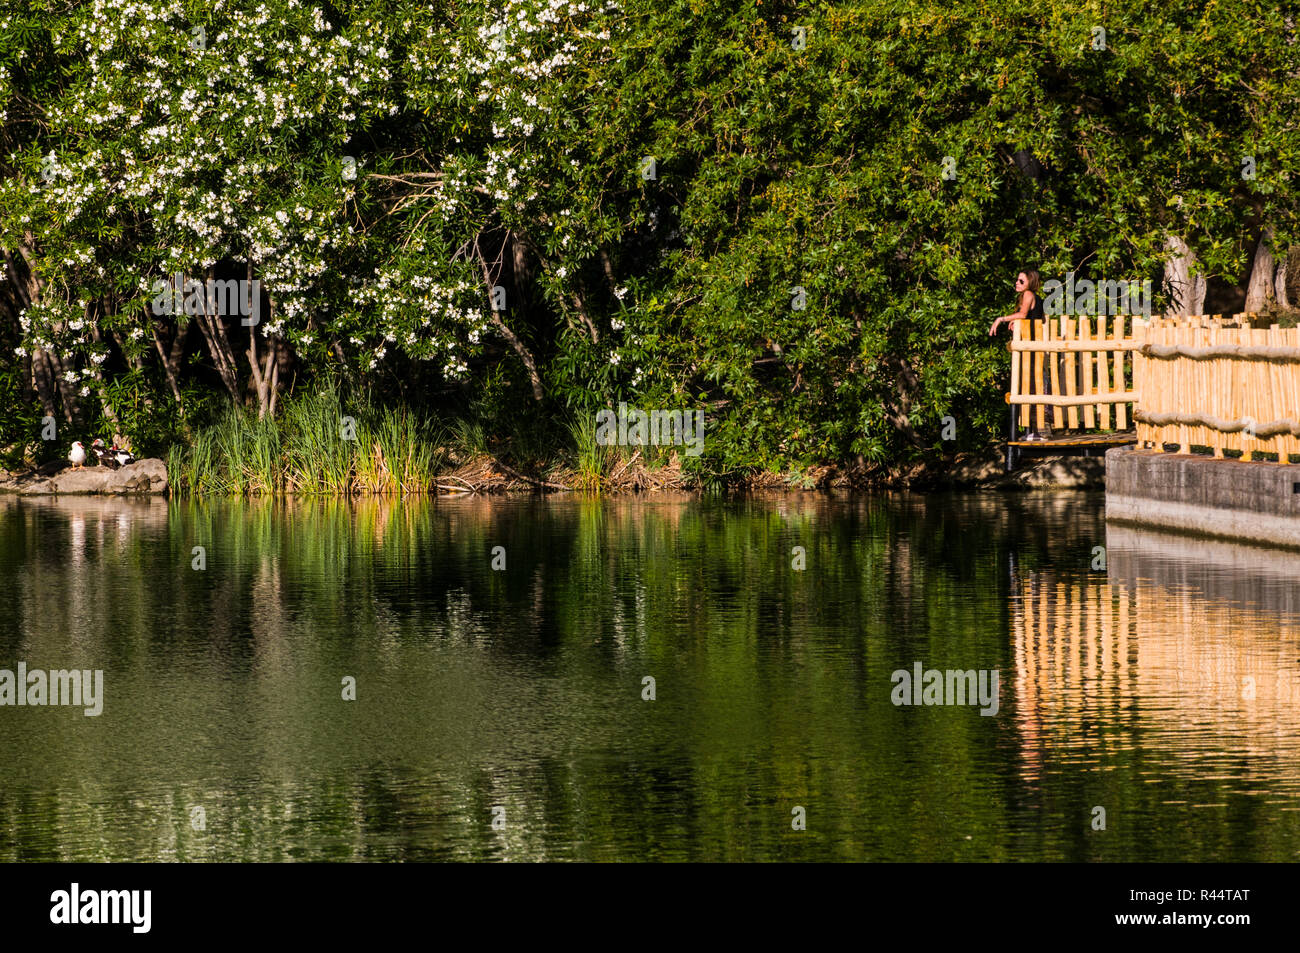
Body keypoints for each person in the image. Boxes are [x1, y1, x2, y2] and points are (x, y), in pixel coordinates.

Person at [988, 270, 1051, 440]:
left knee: (1032, 385)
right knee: (1031, 384)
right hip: (1032, 345)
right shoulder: (1036, 298)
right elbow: (1036, 318)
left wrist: (1002, 319)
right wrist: (1019, 323)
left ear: (1030, 283)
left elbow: (1023, 314)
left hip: (1030, 346)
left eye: (1021, 281)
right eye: (1017, 280)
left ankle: (1039, 432)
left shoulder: (1028, 294)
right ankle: (1034, 431)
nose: (1017, 283)